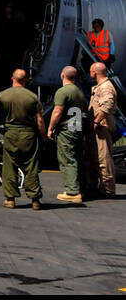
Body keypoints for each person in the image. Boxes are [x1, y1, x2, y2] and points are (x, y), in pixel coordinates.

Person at [0, 68, 45, 209]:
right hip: (28, 134)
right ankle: (35, 200)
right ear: (24, 80)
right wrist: (43, 137)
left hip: (10, 133)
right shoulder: (32, 97)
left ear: (12, 78)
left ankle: (10, 199)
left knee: (9, 166)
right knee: (31, 166)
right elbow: (40, 121)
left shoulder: (2, 95)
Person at [46, 65, 86, 203]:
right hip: (77, 128)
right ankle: (79, 187)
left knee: (67, 159)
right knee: (77, 158)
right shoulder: (79, 92)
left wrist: (50, 128)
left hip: (67, 130)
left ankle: (72, 192)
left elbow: (57, 111)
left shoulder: (62, 91)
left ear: (63, 75)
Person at [89, 61, 118, 196]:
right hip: (100, 125)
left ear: (94, 72)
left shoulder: (106, 87)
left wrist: (96, 121)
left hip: (102, 126)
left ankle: (108, 189)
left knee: (103, 158)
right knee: (98, 157)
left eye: (91, 71)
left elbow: (107, 105)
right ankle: (100, 186)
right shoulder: (101, 86)